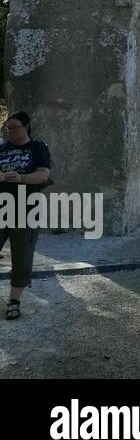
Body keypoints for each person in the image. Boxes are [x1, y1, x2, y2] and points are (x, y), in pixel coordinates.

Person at [0, 112, 52, 321]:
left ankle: (14, 301)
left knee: (22, 257)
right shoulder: (1, 148)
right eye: (7, 128)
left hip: (26, 208)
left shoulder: (37, 147)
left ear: (26, 126)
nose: (10, 131)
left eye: (14, 127)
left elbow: (43, 174)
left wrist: (21, 177)